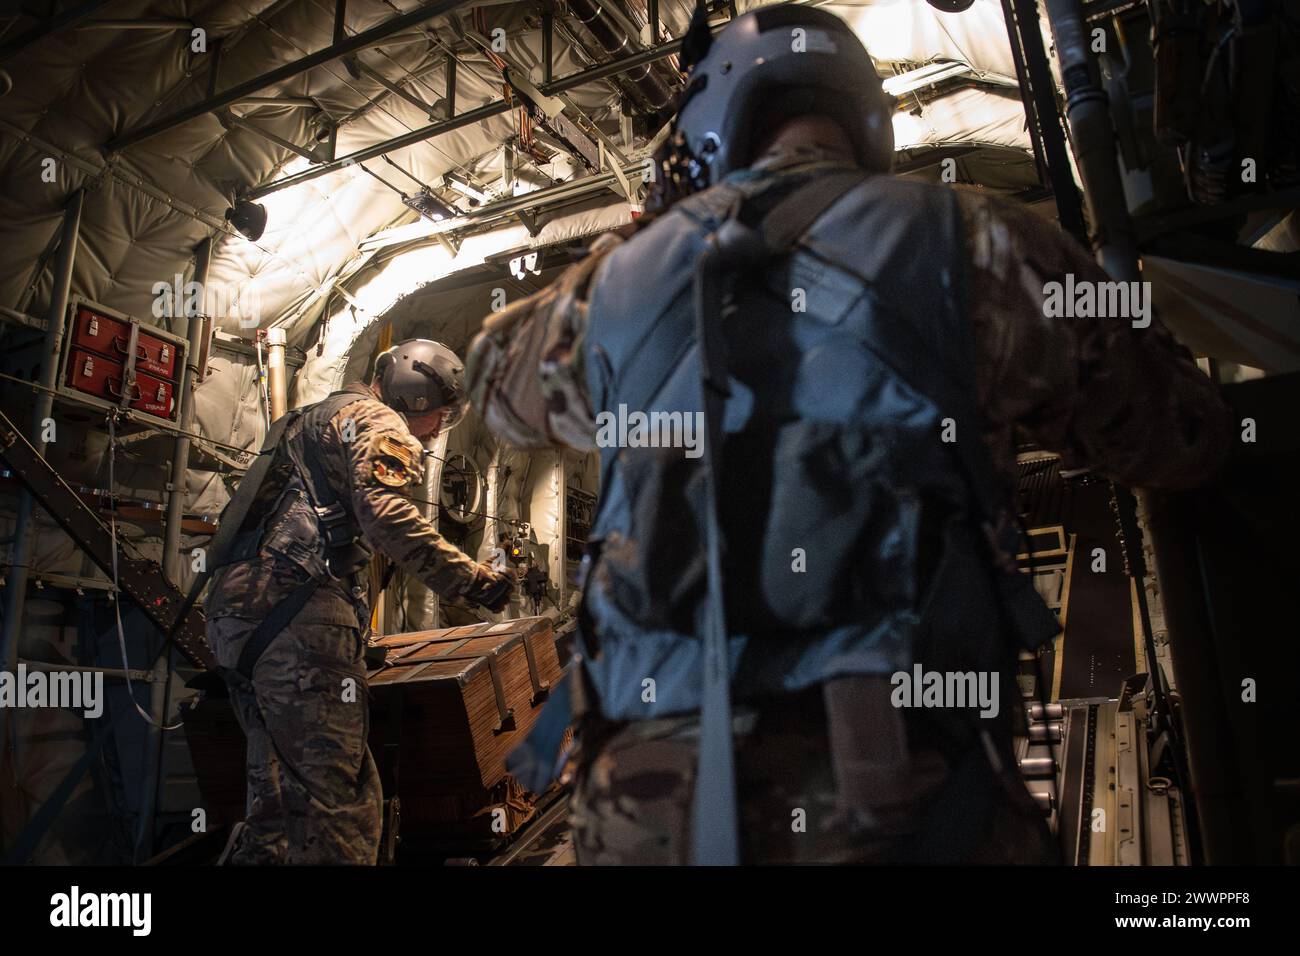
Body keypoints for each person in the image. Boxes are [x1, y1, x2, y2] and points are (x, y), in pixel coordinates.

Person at [466, 4, 1231, 864]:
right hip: (906, 801)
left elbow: (491, 385)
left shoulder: (609, 290)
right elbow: (1187, 433)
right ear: (868, 121)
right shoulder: (977, 238)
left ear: (716, 118)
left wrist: (632, 256)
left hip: (649, 817)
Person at [206, 338, 514, 864]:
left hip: (235, 621)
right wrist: (476, 581)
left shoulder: (307, 420)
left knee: (276, 805)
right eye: (440, 415)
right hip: (297, 619)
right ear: (415, 399)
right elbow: (388, 518)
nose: (439, 429)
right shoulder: (378, 422)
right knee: (340, 804)